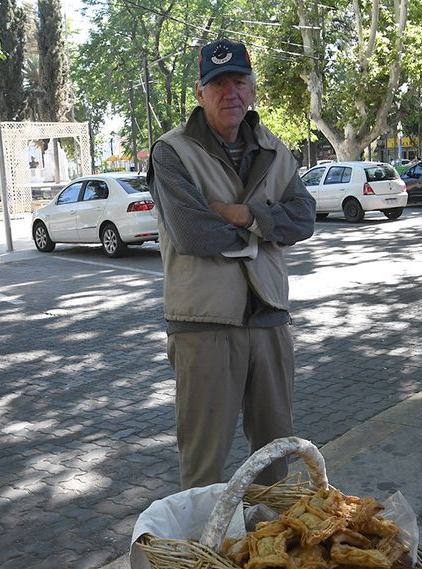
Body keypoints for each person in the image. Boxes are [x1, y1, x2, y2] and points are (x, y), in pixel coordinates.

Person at [147, 38, 316, 490]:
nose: (230, 93)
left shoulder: (276, 151)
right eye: (217, 83)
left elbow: (304, 219)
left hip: (269, 320)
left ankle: (270, 554)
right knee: (204, 467)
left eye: (238, 81)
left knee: (276, 460)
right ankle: (203, 558)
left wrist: (242, 214)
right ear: (199, 94)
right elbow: (194, 234)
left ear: (253, 90)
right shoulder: (172, 152)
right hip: (204, 325)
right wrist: (266, 230)